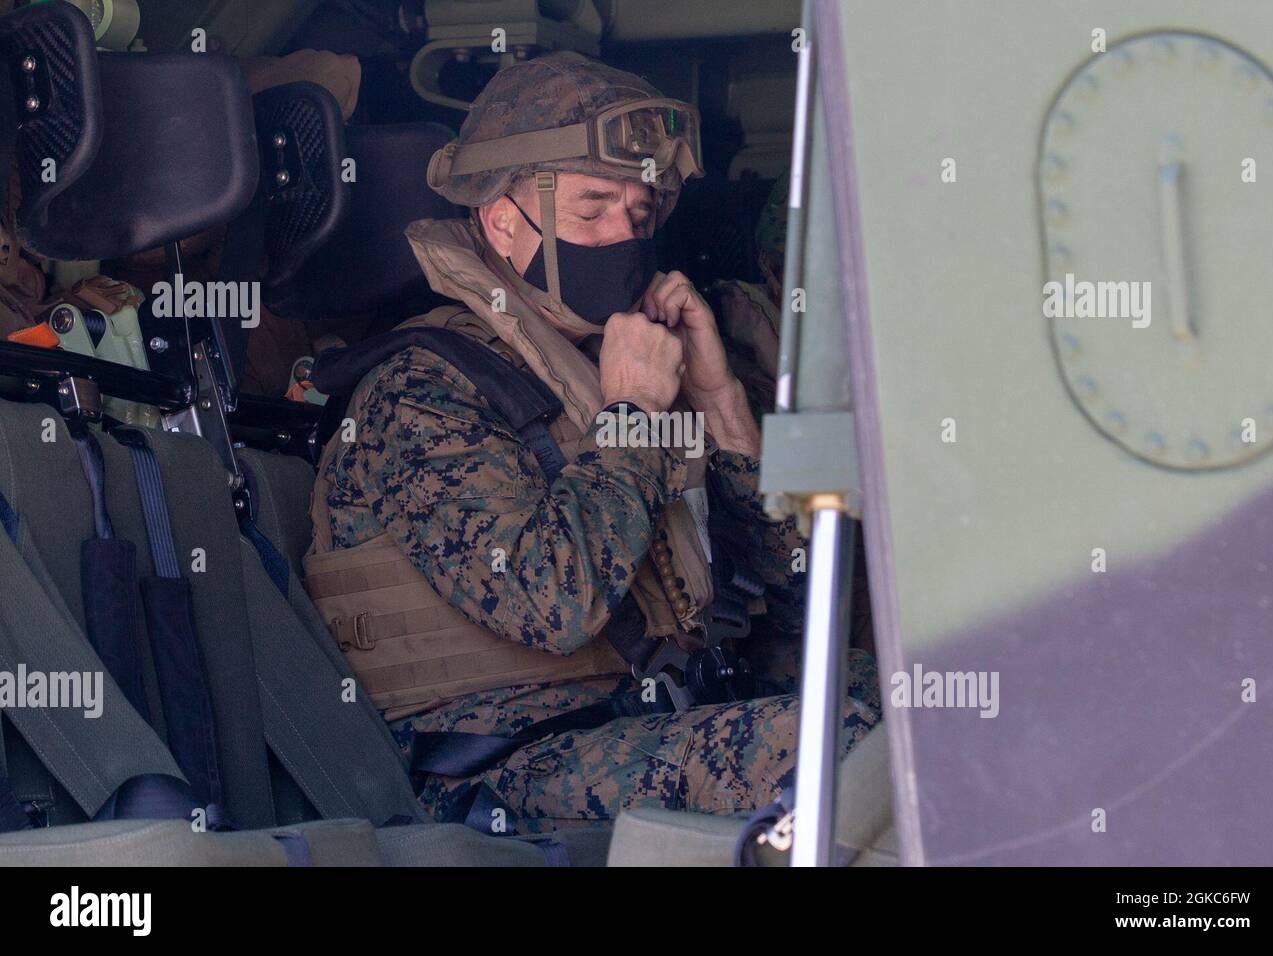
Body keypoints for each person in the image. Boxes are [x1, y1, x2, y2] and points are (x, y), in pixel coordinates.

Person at [305, 52, 879, 833]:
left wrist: (721, 406)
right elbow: (552, 604)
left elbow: (800, 596)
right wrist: (633, 413)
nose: (622, 238)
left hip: (642, 713)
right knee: (836, 748)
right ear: (503, 222)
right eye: (593, 209)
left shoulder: (605, 363)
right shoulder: (419, 391)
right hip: (497, 767)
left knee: (915, 691)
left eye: (639, 216)